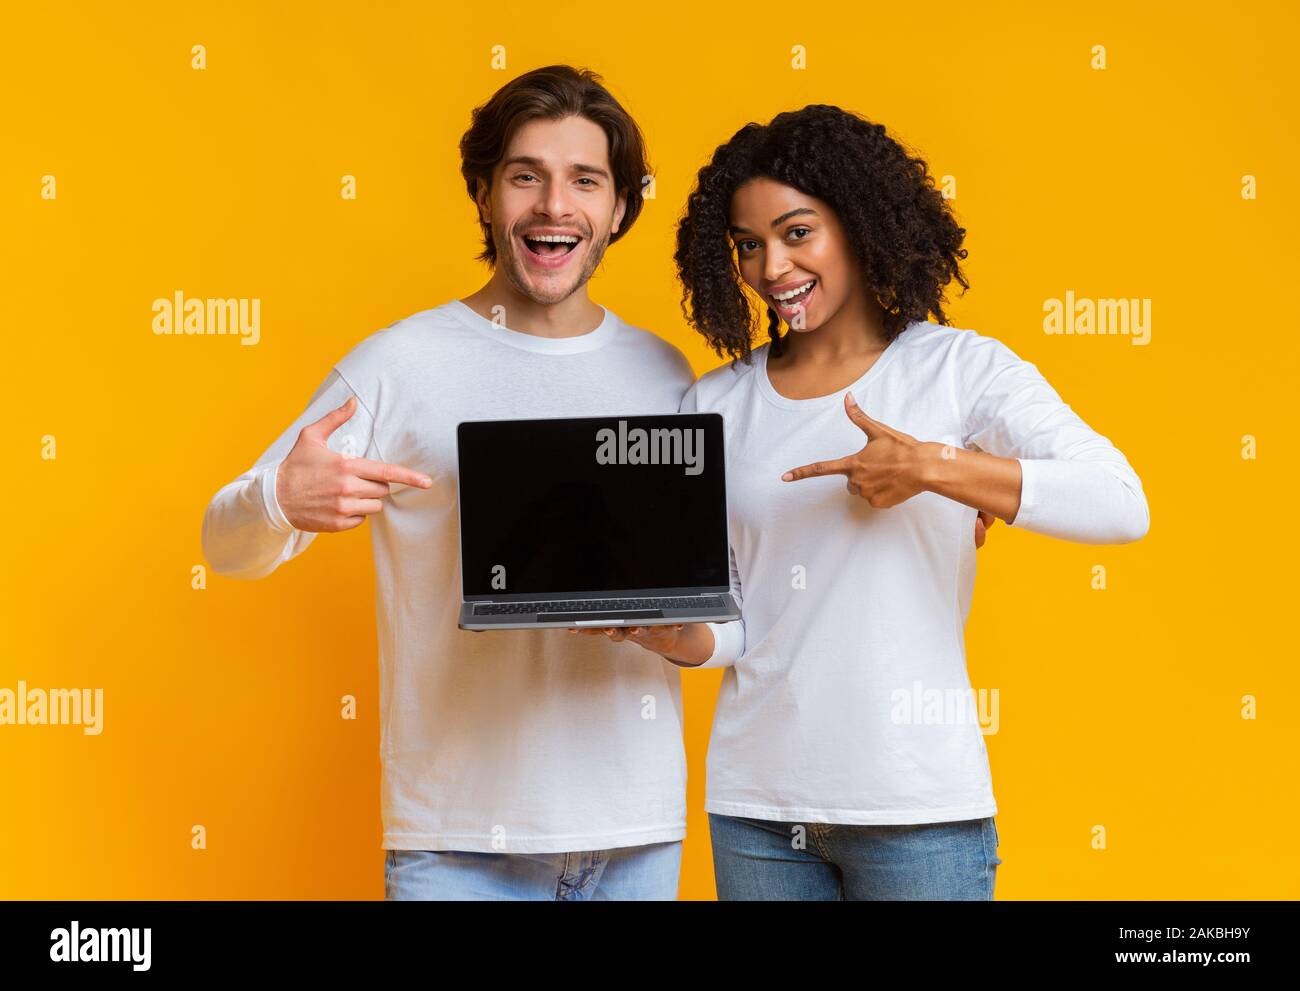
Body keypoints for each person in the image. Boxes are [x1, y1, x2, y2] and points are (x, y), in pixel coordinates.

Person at [601, 104, 1150, 900]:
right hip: (758, 807)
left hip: (918, 807)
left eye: (797, 233)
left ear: (856, 222)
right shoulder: (714, 403)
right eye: (748, 245)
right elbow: (733, 622)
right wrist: (670, 631)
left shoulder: (957, 369)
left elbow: (1122, 502)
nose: (771, 268)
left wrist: (936, 467)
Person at [201, 65, 697, 901]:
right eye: (525, 176)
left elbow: (709, 572)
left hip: (636, 836)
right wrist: (280, 500)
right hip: (456, 844)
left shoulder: (663, 372)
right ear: (483, 193)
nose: (553, 206)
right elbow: (224, 542)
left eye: (585, 179)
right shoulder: (400, 363)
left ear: (618, 208)